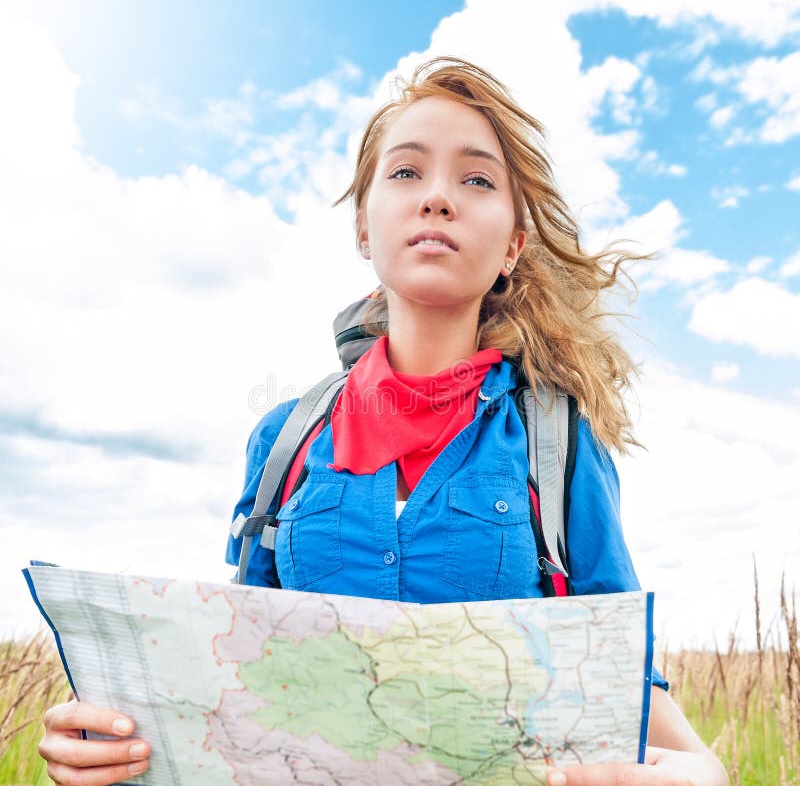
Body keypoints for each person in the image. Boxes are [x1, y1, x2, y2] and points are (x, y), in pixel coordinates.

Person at [38, 57, 729, 786]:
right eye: (405, 173)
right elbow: (236, 686)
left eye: (477, 179)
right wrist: (113, 742)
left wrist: (696, 776)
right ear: (365, 229)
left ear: (513, 249)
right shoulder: (286, 438)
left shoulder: (557, 441)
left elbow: (650, 713)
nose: (437, 197)